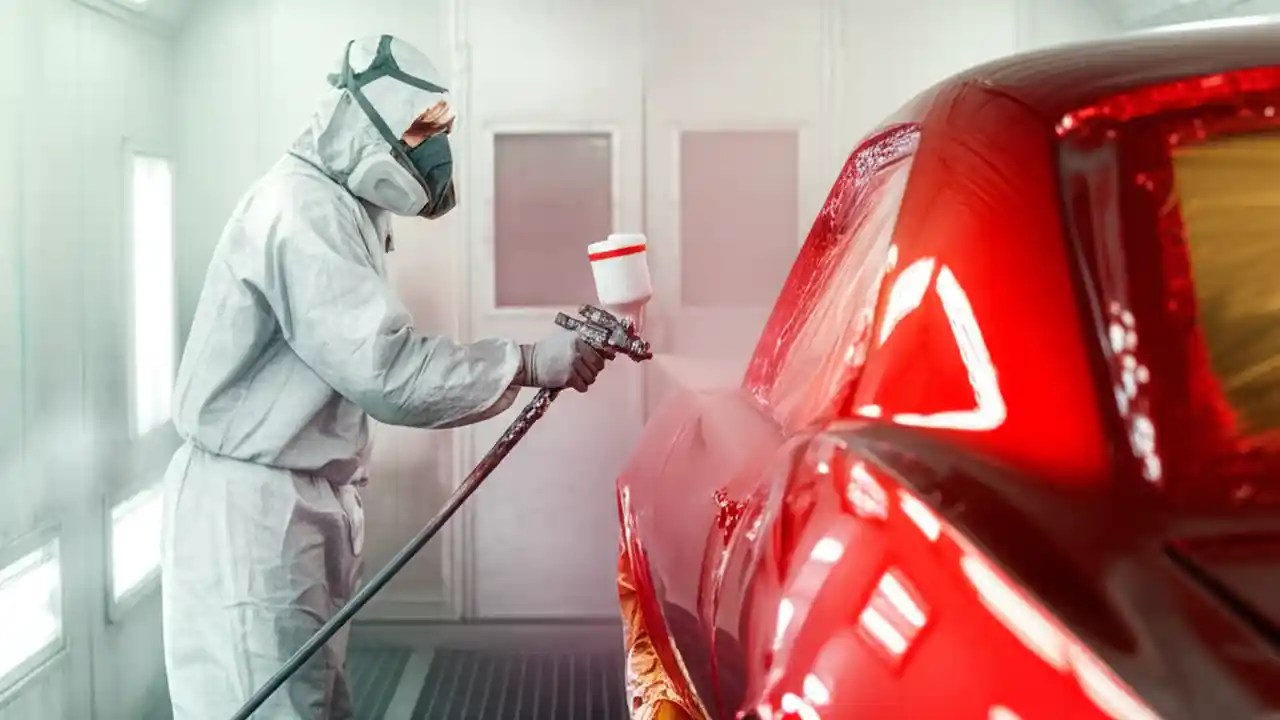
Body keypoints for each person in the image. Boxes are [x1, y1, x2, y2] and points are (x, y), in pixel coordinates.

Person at [160, 34, 607, 719]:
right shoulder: (300, 208)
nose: (431, 151)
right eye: (421, 131)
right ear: (368, 121)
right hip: (251, 514)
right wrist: (524, 361)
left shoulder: (342, 204)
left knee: (315, 702)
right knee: (279, 707)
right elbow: (388, 369)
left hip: (297, 500)